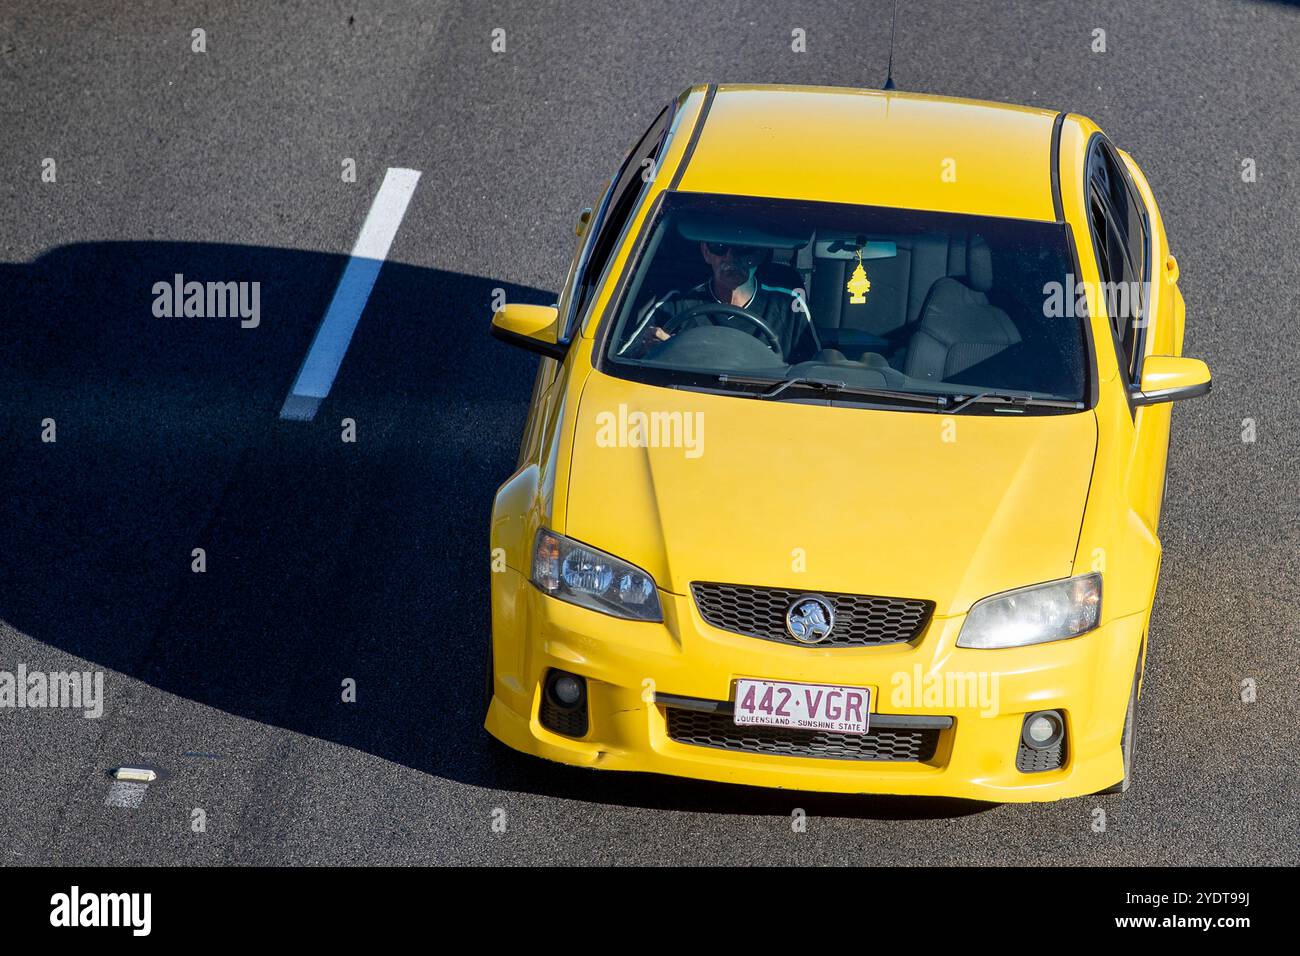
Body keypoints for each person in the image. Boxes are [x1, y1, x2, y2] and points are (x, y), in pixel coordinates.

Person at [623, 241, 816, 360]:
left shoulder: (787, 305)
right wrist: (650, 349)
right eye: (719, 247)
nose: (729, 257)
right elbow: (622, 358)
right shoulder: (673, 304)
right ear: (706, 252)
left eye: (743, 247)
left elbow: (813, 368)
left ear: (759, 255)